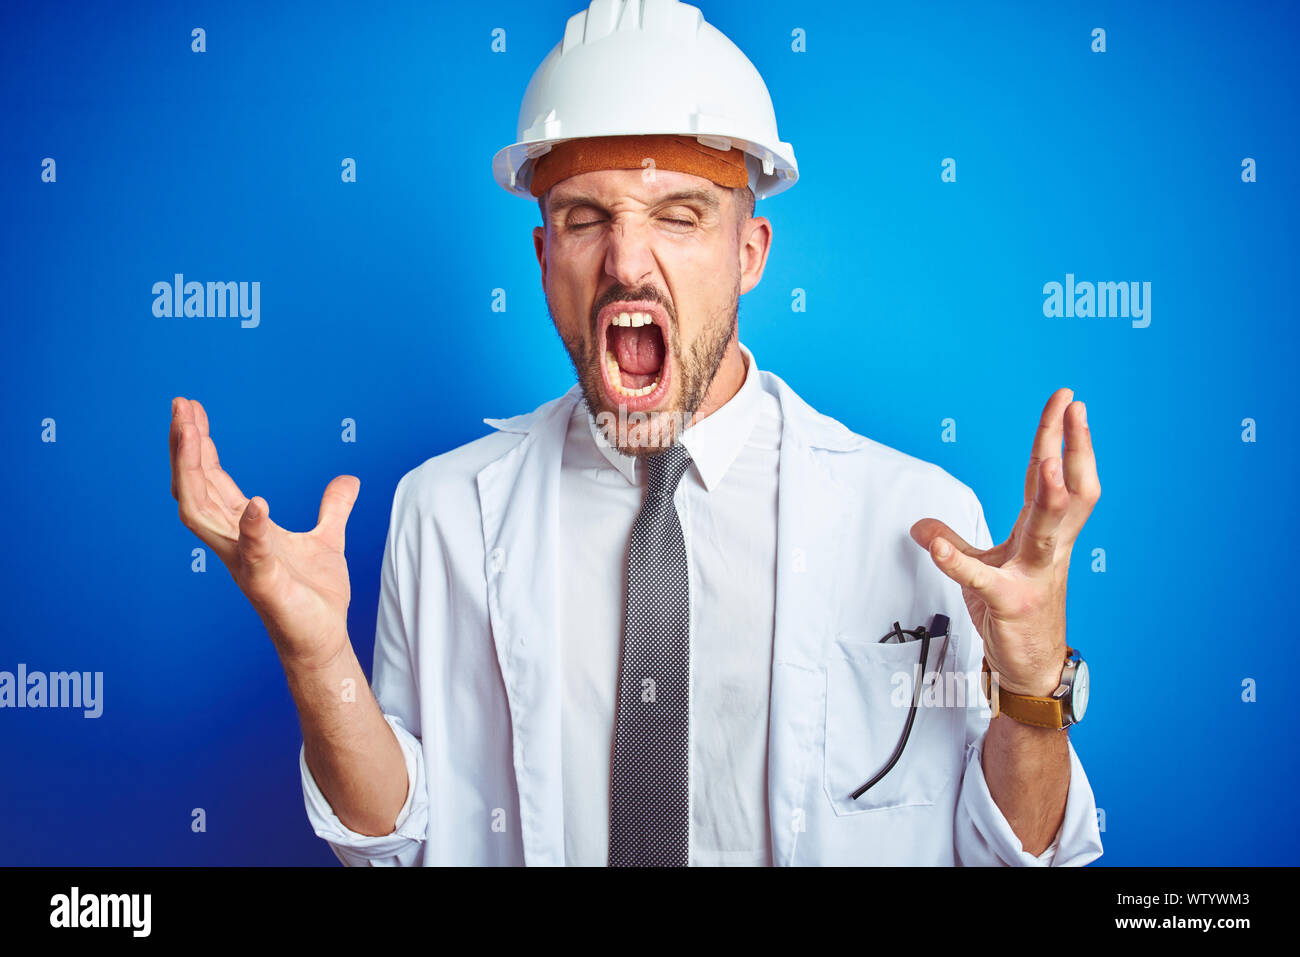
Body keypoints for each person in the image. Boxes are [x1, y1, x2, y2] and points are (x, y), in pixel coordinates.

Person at [168, 0, 1104, 866]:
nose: (625, 260)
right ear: (543, 258)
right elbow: (392, 846)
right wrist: (317, 659)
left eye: (678, 216)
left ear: (749, 253)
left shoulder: (918, 517)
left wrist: (1030, 691)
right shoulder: (443, 511)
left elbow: (1013, 857)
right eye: (584, 218)